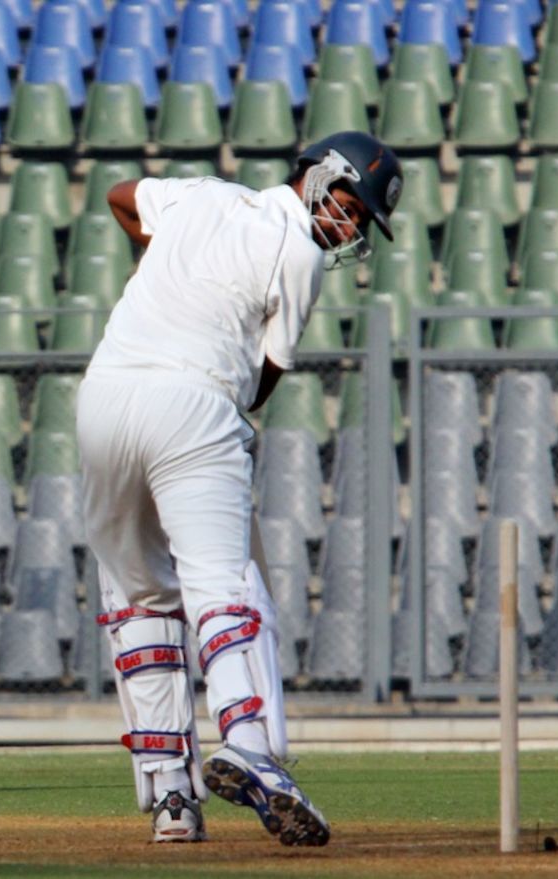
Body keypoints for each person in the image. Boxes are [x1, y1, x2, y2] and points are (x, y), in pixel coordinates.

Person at [77, 132, 403, 844]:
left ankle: (170, 796)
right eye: (350, 205)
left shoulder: (202, 194)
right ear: (318, 176)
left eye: (360, 219)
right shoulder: (301, 254)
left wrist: (164, 268)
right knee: (223, 584)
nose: (348, 226)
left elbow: (119, 196)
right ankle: (249, 743)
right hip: (194, 402)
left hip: (101, 399)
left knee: (138, 596)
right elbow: (263, 377)